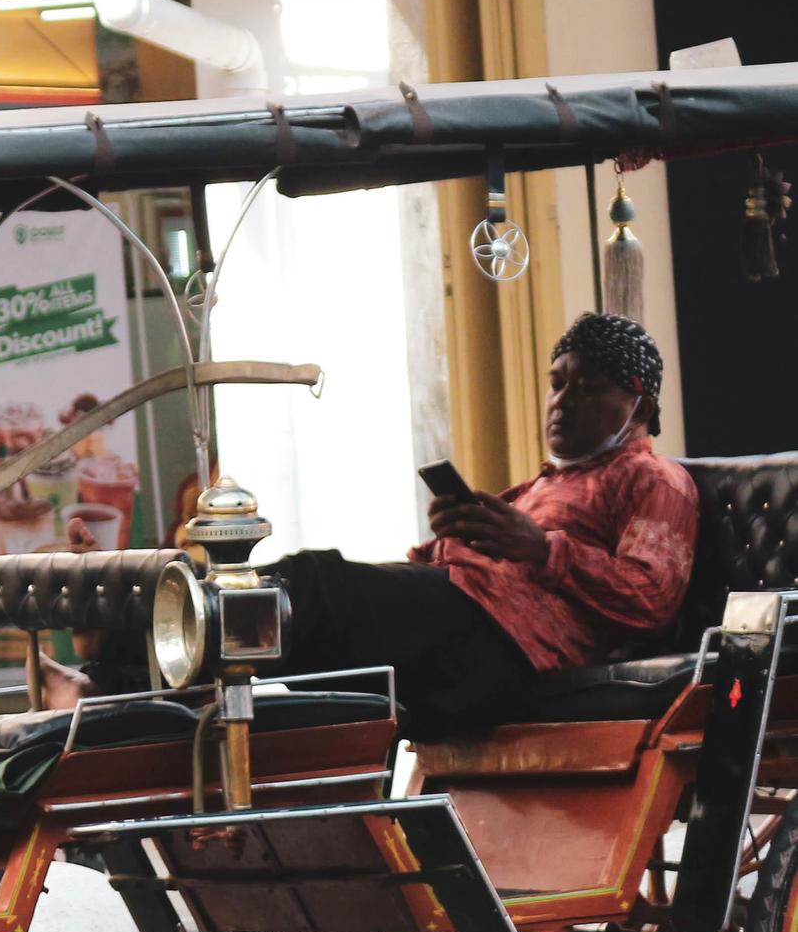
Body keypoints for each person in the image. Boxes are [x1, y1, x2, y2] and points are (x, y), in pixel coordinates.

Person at [70, 312, 692, 735]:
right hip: (460, 629)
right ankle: (111, 681)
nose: (563, 401)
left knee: (314, 586)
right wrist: (453, 538)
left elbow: (651, 596)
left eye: (589, 388)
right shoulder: (546, 484)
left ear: (640, 403)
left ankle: (118, 642)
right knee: (295, 643)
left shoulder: (654, 480)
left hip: (500, 651)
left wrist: (539, 548)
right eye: (557, 384)